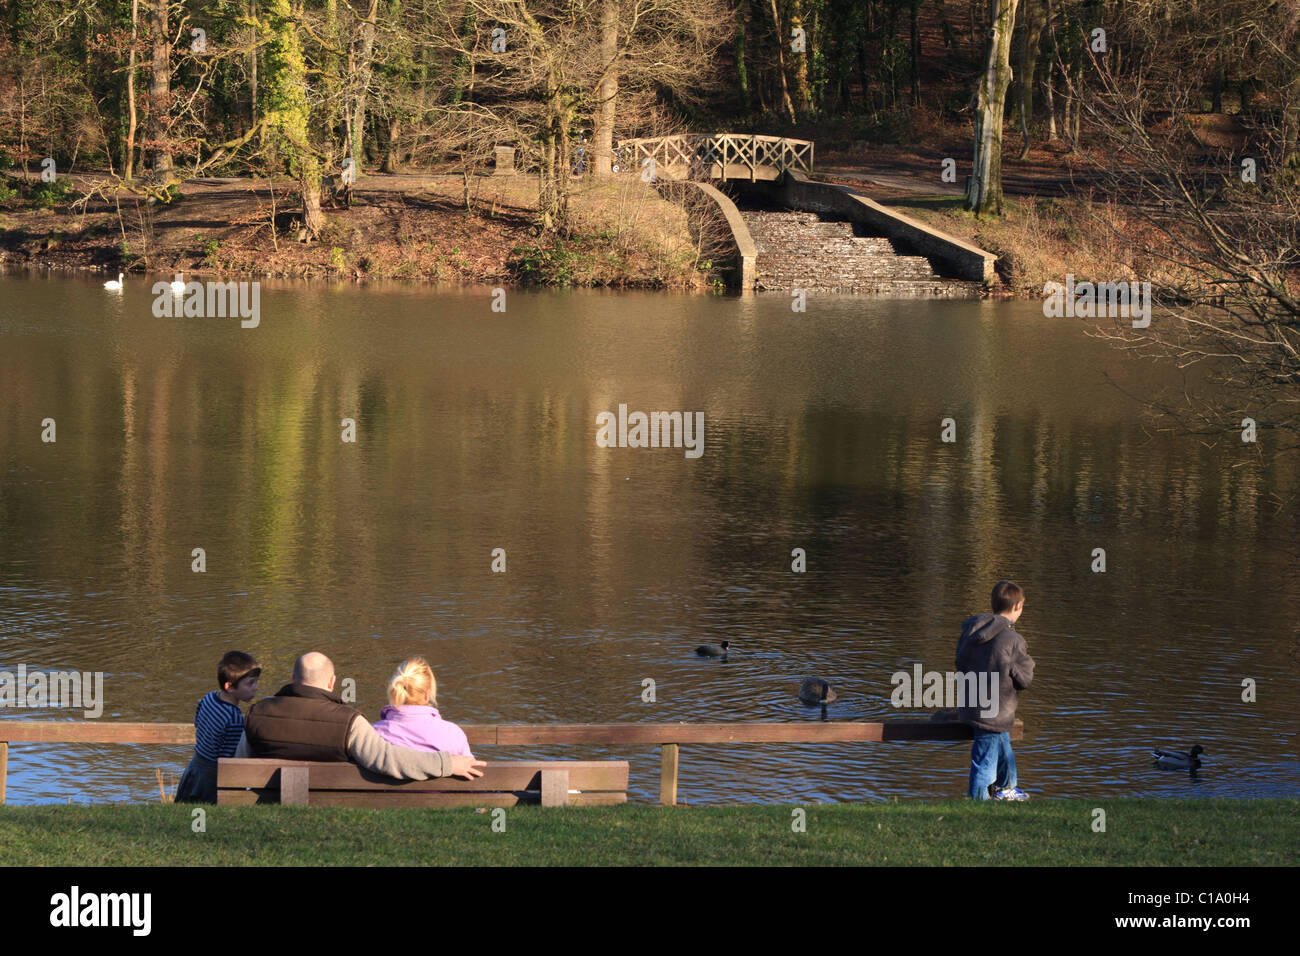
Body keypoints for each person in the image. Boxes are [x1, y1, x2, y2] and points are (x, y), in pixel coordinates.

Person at [233, 652, 484, 781]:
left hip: (266, 803)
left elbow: (238, 766)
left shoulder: (256, 714)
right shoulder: (349, 721)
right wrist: (447, 763)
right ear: (332, 682)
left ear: (292, 680)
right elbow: (388, 759)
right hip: (330, 806)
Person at [956, 580, 1035, 801]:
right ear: (1017, 606)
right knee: (984, 761)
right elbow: (1025, 679)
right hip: (995, 710)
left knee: (1001, 743)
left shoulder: (971, 632)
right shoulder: (1013, 640)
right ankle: (978, 802)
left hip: (972, 705)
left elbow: (960, 664)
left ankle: (1007, 787)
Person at [175, 651, 261, 804]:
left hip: (195, 767)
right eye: (250, 683)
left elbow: (197, 722)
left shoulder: (209, 697)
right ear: (230, 687)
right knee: (205, 814)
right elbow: (228, 760)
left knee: (189, 812)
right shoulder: (234, 718)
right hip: (212, 776)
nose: (255, 687)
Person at [372, 657, 473, 756]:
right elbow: (474, 770)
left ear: (394, 692)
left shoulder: (372, 735)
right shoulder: (453, 734)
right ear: (427, 694)